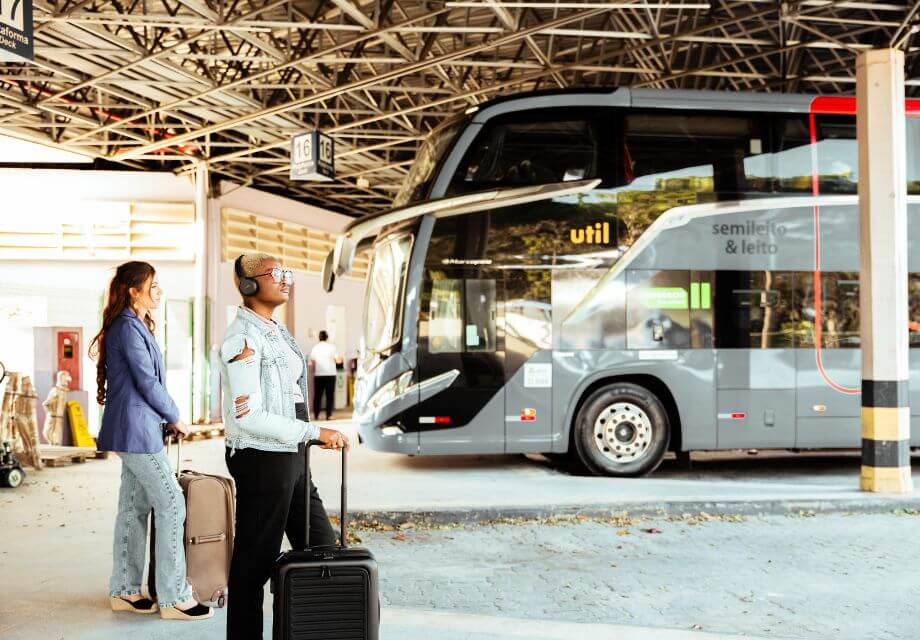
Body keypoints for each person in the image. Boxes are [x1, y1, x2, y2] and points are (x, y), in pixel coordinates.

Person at [221, 253, 349, 640]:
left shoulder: (276, 330)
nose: (285, 279)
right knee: (253, 567)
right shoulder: (243, 337)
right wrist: (312, 432)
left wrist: (306, 437)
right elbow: (248, 416)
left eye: (287, 272)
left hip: (292, 457)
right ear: (248, 285)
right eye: (275, 274)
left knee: (324, 551)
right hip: (262, 460)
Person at [92, 261, 211, 621]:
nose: (158, 292)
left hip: (136, 428)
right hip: (136, 430)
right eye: (153, 286)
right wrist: (176, 415)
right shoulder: (128, 328)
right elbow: (147, 381)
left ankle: (125, 590)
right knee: (172, 503)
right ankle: (174, 596)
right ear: (134, 291)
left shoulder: (133, 324)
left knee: (133, 508)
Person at [309, 330, 339, 420]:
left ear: (319, 337)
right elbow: (338, 360)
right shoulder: (332, 347)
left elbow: (313, 362)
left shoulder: (315, 348)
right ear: (327, 337)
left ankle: (316, 414)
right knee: (329, 395)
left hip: (318, 374)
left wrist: (314, 372)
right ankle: (329, 415)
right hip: (330, 374)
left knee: (318, 395)